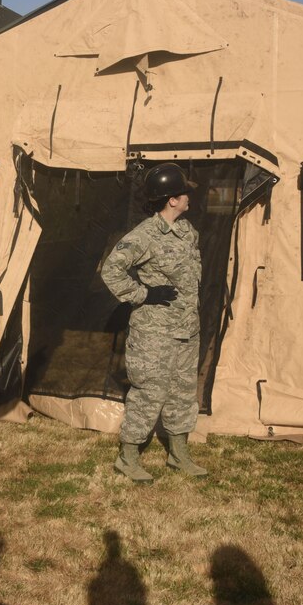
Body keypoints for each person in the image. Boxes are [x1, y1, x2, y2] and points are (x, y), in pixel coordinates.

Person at [100, 162, 207, 484]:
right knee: (149, 393)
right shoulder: (144, 235)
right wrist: (142, 294)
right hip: (154, 332)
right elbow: (111, 270)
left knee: (183, 392)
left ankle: (179, 454)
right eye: (184, 192)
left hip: (187, 328)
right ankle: (127, 457)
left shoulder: (188, 231)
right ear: (171, 199)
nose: (189, 196)